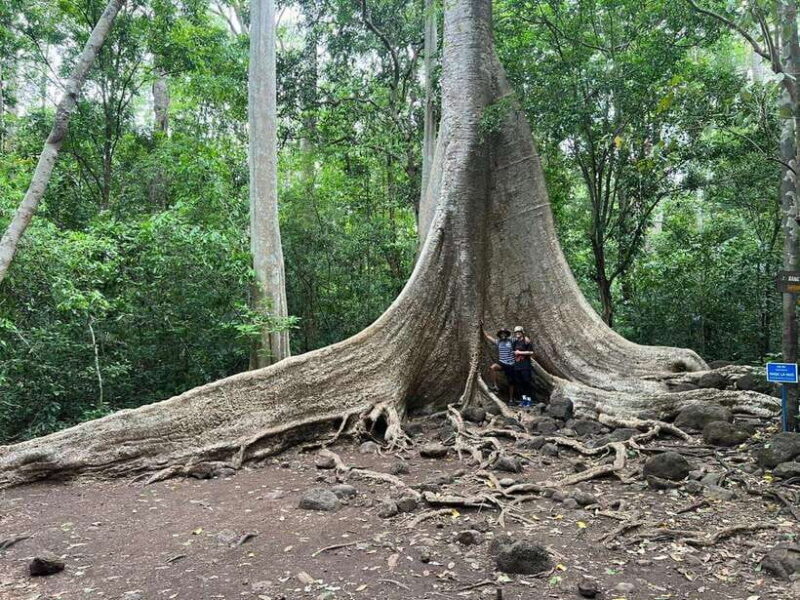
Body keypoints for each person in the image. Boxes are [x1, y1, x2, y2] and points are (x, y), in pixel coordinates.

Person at [481, 323, 516, 404]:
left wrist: (525, 337)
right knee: (492, 367)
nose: (503, 335)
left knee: (511, 383)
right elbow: (488, 336)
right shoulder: (498, 342)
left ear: (506, 334)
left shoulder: (511, 340)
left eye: (504, 333)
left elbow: (519, 339)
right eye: (501, 334)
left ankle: (511, 399)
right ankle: (495, 386)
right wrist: (481, 327)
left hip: (511, 364)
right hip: (502, 363)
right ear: (500, 335)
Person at [512, 325, 535, 407]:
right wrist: (515, 353)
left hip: (525, 365)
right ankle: (524, 400)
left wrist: (520, 352)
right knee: (520, 383)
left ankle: (529, 400)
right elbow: (513, 351)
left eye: (519, 332)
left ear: (522, 332)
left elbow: (531, 352)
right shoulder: (515, 342)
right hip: (517, 365)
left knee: (527, 381)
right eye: (516, 332)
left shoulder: (526, 341)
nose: (517, 333)